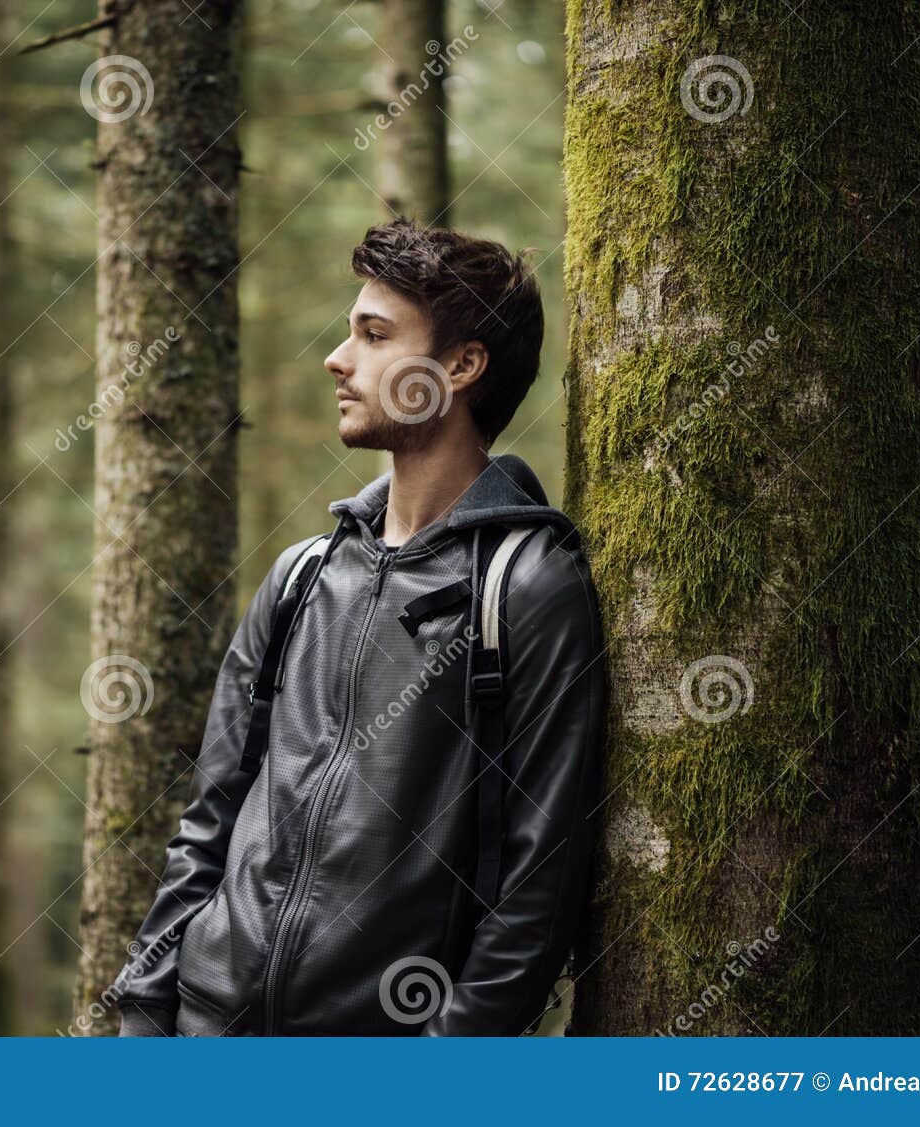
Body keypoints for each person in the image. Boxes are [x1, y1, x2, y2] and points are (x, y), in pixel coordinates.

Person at [113, 217, 606, 1036]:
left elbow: (538, 886)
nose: (337, 359)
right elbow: (211, 816)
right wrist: (143, 1010)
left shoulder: (526, 585)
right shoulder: (303, 576)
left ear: (460, 365)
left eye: (374, 335)